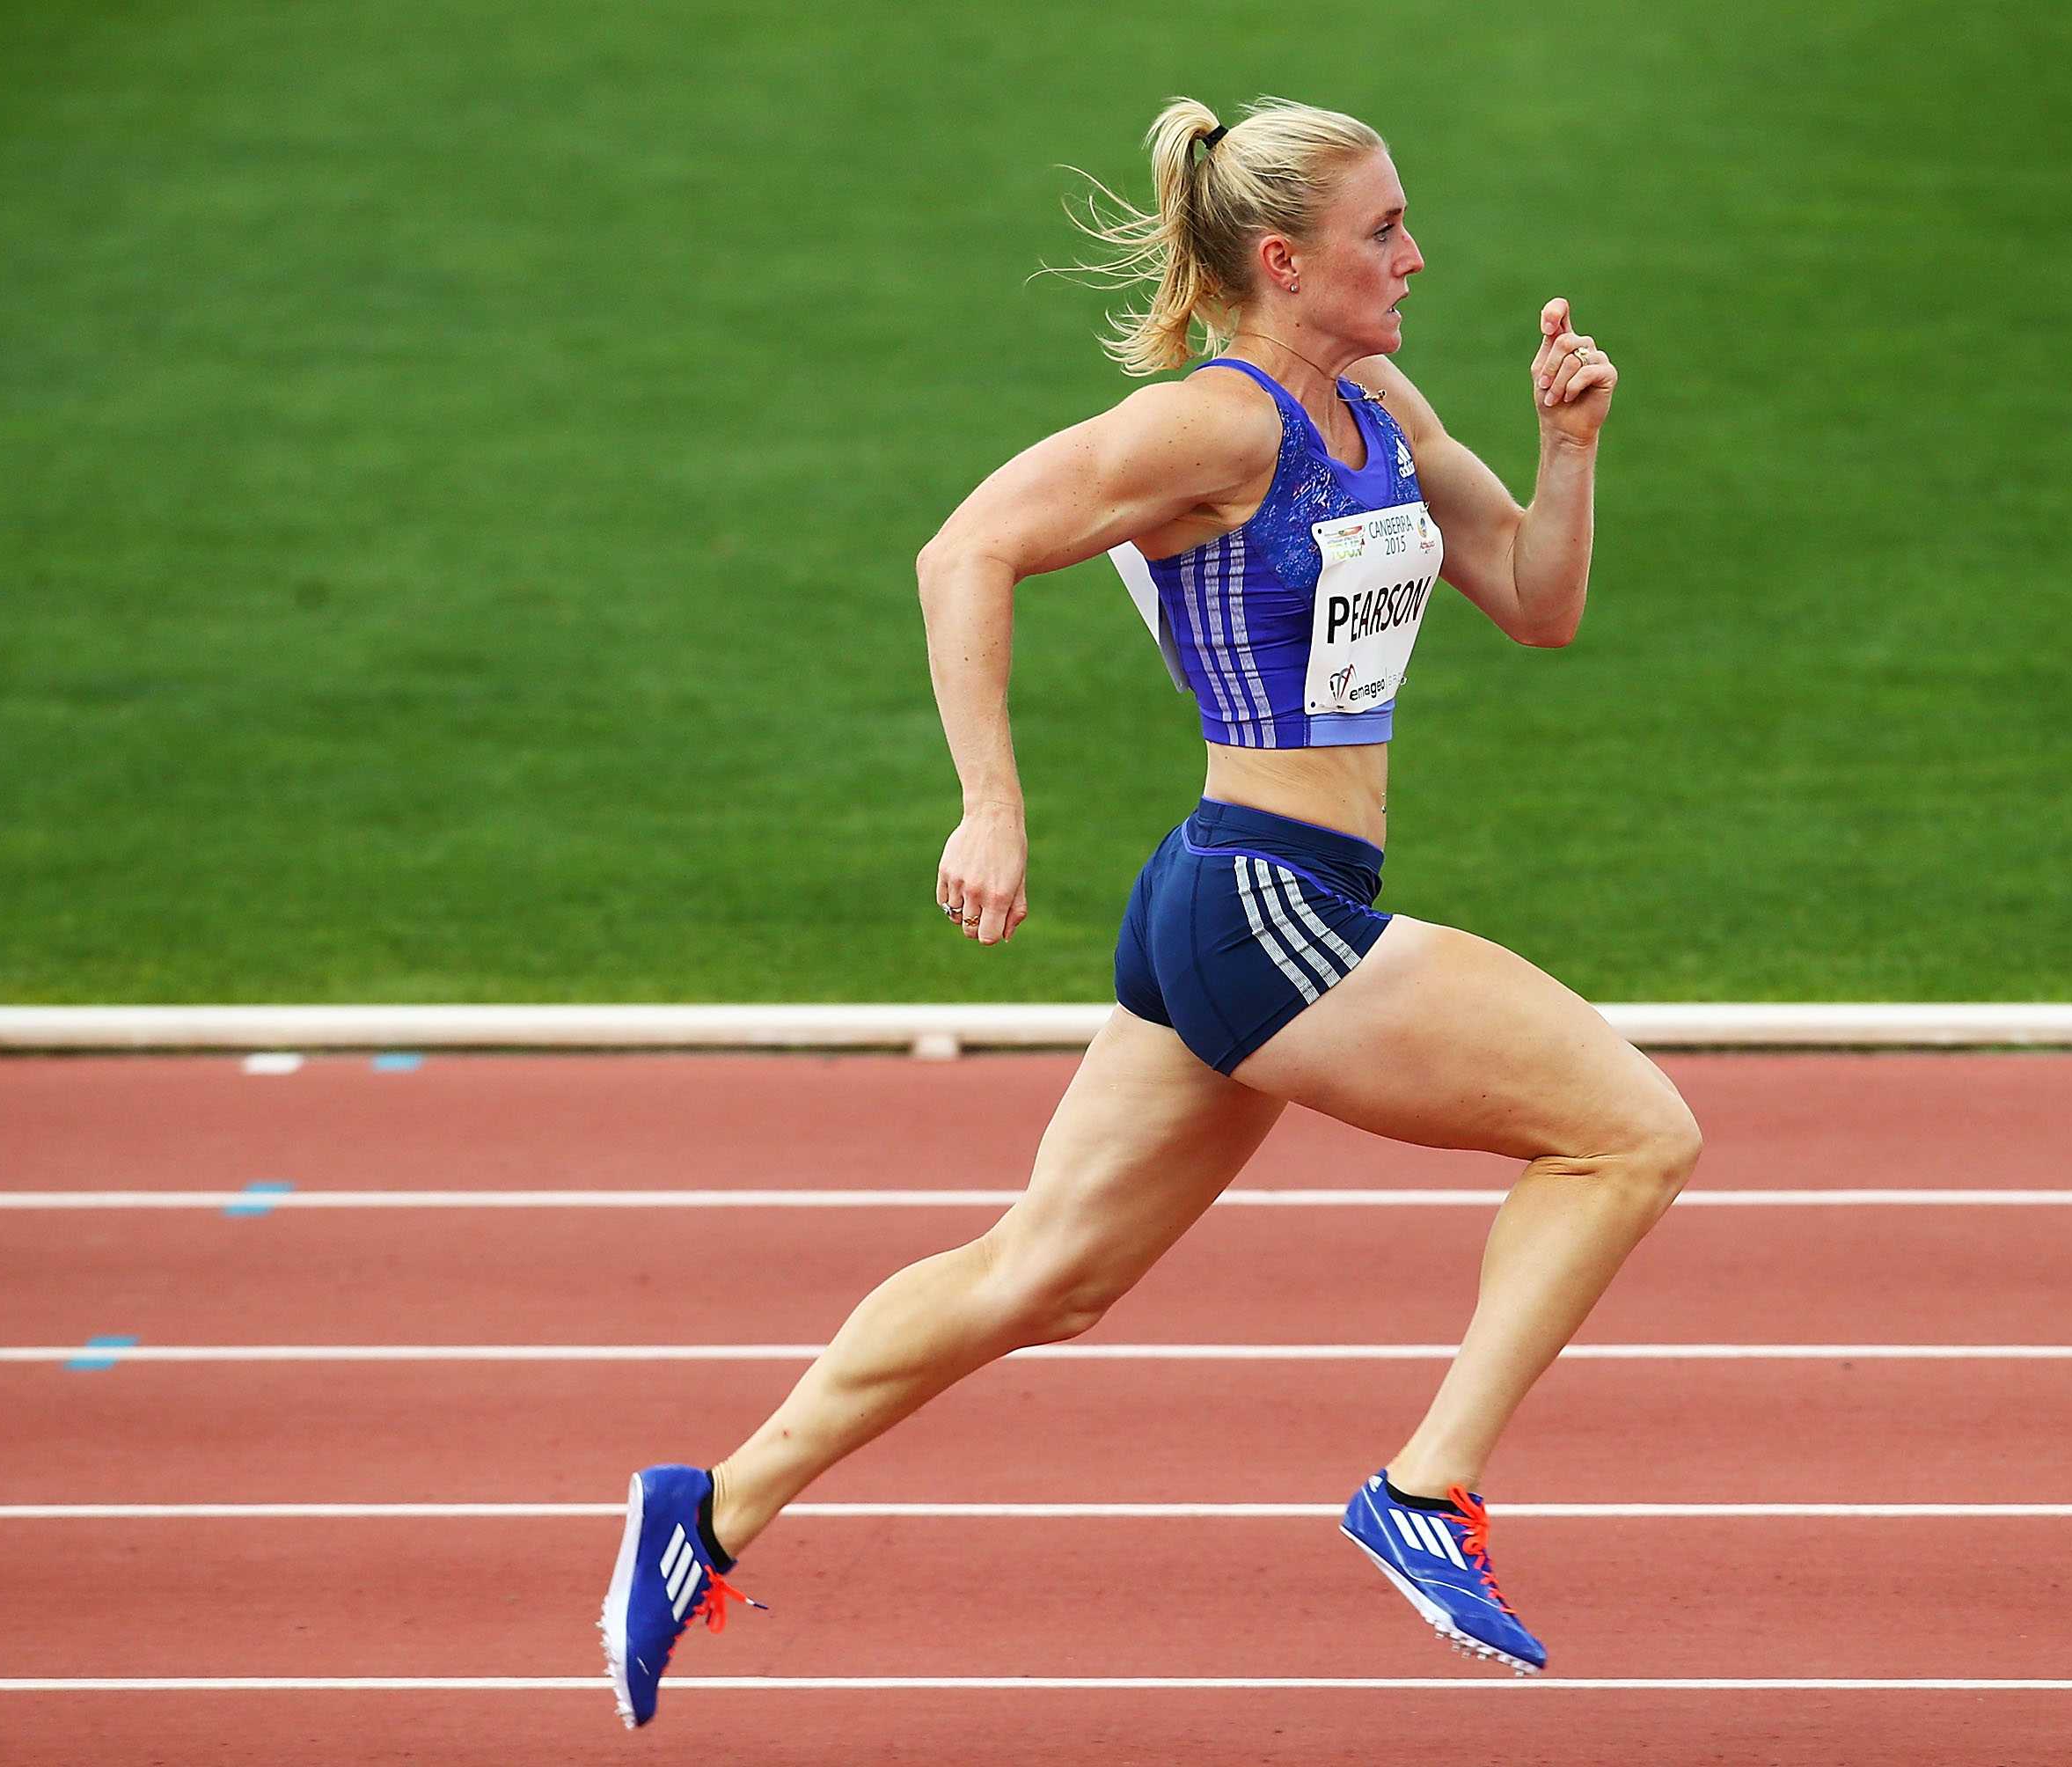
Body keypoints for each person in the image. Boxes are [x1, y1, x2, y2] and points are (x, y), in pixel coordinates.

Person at [600, 94, 1701, 1727]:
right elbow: (963, 548)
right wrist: (991, 800)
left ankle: (710, 1506)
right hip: (1264, 900)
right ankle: (1427, 1488)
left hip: (1236, 899)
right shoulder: (1222, 426)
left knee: (1046, 1274)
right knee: (1630, 1135)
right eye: (1382, 230)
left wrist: (1571, 446)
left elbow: (1537, 602)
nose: (1416, 253)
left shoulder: (1373, 403)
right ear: (1282, 260)